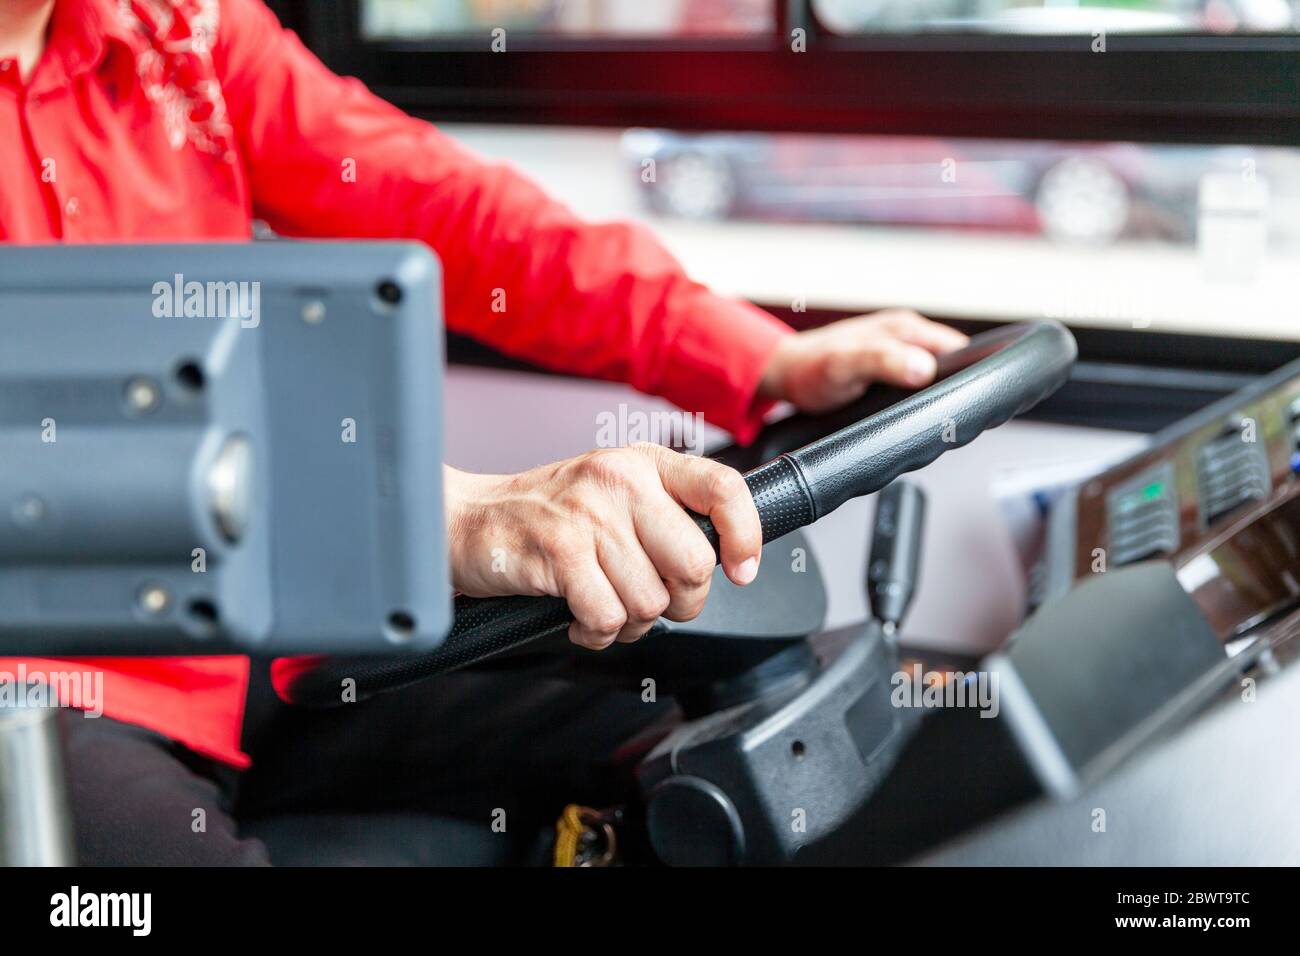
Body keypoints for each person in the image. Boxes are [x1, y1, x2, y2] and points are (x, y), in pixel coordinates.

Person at [0, 0, 967, 864]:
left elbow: (445, 208)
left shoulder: (183, 29)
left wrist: (759, 357)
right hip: (39, 678)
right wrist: (429, 517)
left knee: (700, 722)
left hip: (250, 627)